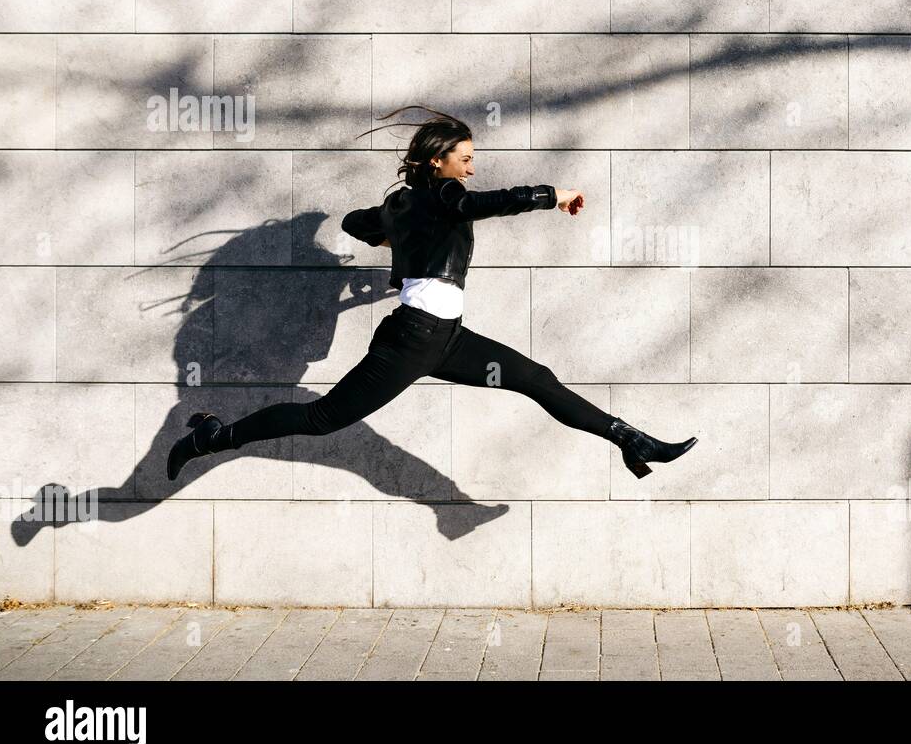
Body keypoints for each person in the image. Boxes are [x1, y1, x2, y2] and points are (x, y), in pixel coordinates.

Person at [166, 105, 696, 483]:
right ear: (438, 160)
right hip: (413, 339)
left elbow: (357, 222)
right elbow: (474, 205)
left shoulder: (410, 203)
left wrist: (391, 230)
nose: (471, 165)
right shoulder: (444, 196)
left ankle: (631, 439)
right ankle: (214, 437)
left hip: (446, 339)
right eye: (464, 157)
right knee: (322, 419)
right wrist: (550, 195)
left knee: (536, 379)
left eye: (471, 156)